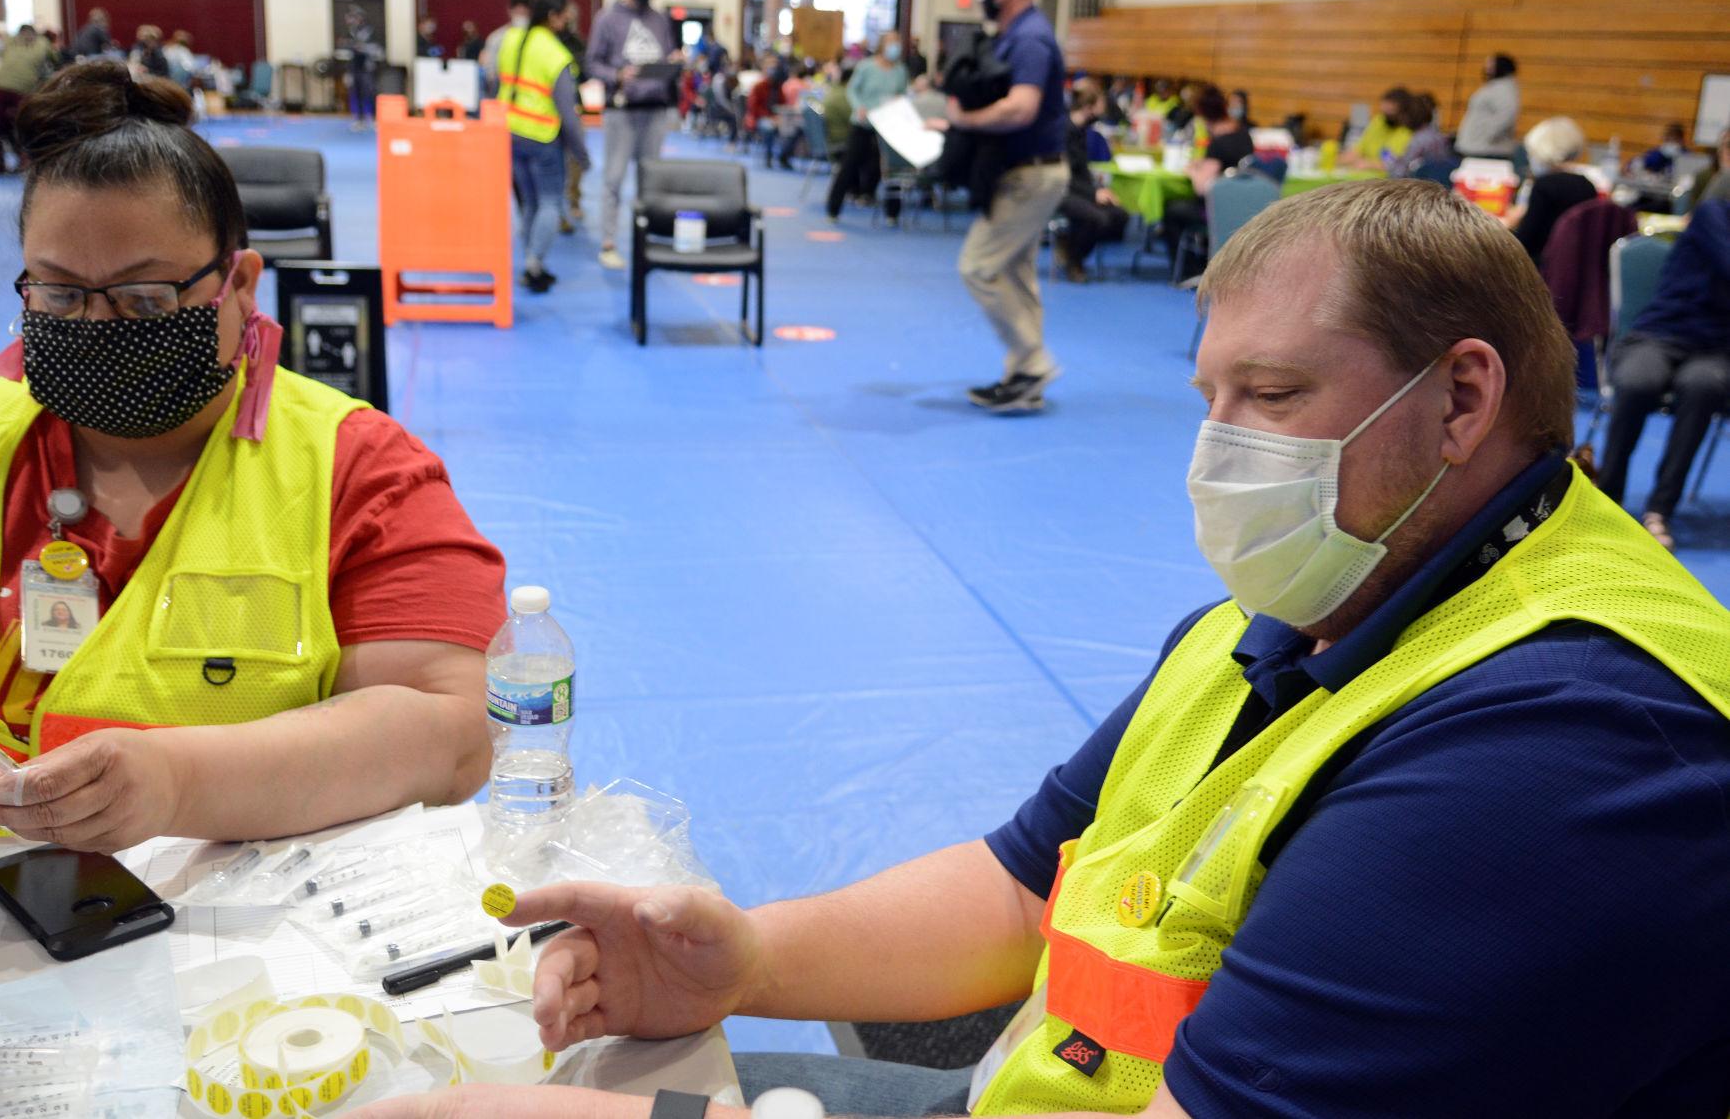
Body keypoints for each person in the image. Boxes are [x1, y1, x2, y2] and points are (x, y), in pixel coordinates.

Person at [351, 179, 1730, 1119]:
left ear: (1461, 398)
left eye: (1273, 392)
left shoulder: (1568, 750)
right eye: (1209, 396)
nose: (1218, 451)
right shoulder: (1323, 605)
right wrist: (745, 962)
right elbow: (1021, 888)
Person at [0, 64, 505, 850]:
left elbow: (450, 730)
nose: (95, 325)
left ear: (240, 285)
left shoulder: (359, 470)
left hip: (243, 935)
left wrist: (179, 780)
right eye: (58, 295)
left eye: (144, 299)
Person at [938, 0, 1069, 413]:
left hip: (1031, 174)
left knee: (978, 266)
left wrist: (965, 121)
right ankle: (1022, 378)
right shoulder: (1015, 35)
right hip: (1024, 170)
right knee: (1015, 271)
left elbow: (1021, 109)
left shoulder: (1031, 38)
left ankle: (1033, 362)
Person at [1596, 198, 1730, 550]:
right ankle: (1606, 499)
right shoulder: (1712, 211)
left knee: (1704, 388)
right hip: (1659, 334)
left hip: (1716, 348)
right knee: (1637, 382)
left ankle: (1659, 510)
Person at [587, 0, 681, 271]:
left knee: (650, 178)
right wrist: (616, 74)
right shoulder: (608, 19)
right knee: (614, 177)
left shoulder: (659, 20)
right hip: (622, 110)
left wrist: (675, 62)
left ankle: (647, 237)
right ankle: (609, 241)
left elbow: (666, 55)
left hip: (654, 109)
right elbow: (592, 64)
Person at [498, 0, 591, 294]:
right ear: (553, 17)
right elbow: (568, 110)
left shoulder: (510, 39)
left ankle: (530, 261)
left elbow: (492, 79)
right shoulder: (555, 54)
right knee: (551, 203)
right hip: (542, 137)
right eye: (565, 18)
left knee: (529, 203)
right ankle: (534, 264)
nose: (567, 24)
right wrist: (582, 154)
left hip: (509, 133)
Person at [1159, 85, 1254, 274]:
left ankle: (1188, 270)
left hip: (1217, 208)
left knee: (1171, 210)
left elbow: (1202, 188)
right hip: (1244, 204)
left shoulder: (1218, 144)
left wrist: (1192, 169)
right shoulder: (1244, 135)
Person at [826, 33, 909, 224]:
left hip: (888, 123)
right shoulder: (866, 66)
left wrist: (899, 101)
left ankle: (892, 213)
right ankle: (833, 208)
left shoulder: (900, 70)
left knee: (891, 166)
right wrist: (859, 107)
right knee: (850, 163)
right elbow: (852, 90)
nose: (894, 47)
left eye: (897, 43)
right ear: (882, 45)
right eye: (891, 43)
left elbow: (903, 94)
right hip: (863, 122)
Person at [1503, 116, 1601, 265]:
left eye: (1531, 154)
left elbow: (1526, 241)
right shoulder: (1587, 184)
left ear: (1542, 152)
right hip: (1574, 264)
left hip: (1541, 266)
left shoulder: (1543, 186)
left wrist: (1505, 228)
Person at [1057, 81, 1128, 283]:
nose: (1104, 108)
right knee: (1098, 218)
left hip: (1080, 189)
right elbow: (1065, 175)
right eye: (1101, 103)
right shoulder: (1064, 130)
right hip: (1061, 191)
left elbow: (1082, 172)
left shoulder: (1082, 130)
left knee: (1120, 215)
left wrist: (1100, 189)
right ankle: (1074, 261)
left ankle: (1071, 245)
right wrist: (1093, 194)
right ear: (1089, 106)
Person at [0, 24, 52, 176]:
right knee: (25, 125)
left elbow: (0, 51)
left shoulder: (10, 42)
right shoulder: (42, 44)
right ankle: (25, 163)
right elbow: (51, 60)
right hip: (22, 91)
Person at [555, 0, 589, 227]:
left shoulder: (578, 43)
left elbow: (585, 73)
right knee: (554, 161)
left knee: (576, 158)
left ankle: (573, 200)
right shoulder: (546, 42)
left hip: (574, 106)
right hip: (547, 110)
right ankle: (555, 210)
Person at [1456, 52, 1520, 159]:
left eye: (1490, 65)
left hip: (1489, 150)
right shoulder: (1494, 87)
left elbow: (1507, 115)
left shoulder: (1504, 89)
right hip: (1479, 146)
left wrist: (1486, 135)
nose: (1486, 68)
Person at [1338, 86, 1413, 168]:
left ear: (1402, 111)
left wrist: (1370, 164)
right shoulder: (1379, 121)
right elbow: (1359, 149)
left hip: (1388, 178)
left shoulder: (1407, 131)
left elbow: (1394, 164)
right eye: (1385, 110)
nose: (1386, 115)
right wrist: (1339, 159)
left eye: (1391, 111)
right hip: (1364, 172)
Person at [1384, 92, 1454, 178]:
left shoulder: (1418, 140)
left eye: (1402, 116)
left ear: (1410, 117)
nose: (1401, 120)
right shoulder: (1438, 136)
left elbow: (1401, 172)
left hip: (1420, 184)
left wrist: (1391, 164)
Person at [481, 0, 533, 98]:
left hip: (530, 93)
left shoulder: (536, 38)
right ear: (510, 11)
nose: (521, 16)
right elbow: (490, 72)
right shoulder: (496, 38)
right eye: (518, 12)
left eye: (524, 13)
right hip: (501, 94)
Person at [341, 6, 383, 128]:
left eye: (353, 17)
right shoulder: (350, 32)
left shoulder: (370, 31)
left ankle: (376, 117)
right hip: (354, 67)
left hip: (367, 68)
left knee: (370, 92)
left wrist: (362, 47)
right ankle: (360, 119)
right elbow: (345, 46)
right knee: (356, 92)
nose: (350, 20)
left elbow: (377, 49)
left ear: (359, 18)